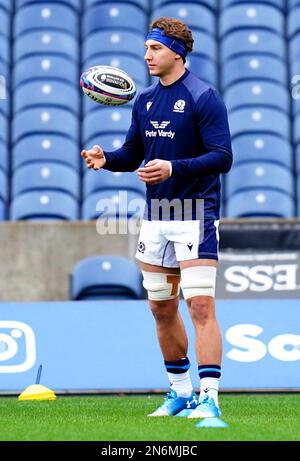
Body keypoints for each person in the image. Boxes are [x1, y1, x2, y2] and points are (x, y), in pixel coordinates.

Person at [81, 17, 233, 418]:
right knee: (161, 308)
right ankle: (180, 393)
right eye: (147, 48)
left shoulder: (204, 96)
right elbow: (133, 154)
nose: (147, 55)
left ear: (177, 53)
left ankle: (210, 400)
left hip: (195, 214)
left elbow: (223, 157)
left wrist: (173, 168)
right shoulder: (145, 99)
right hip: (156, 217)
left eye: (155, 49)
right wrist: (106, 159)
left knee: (200, 308)